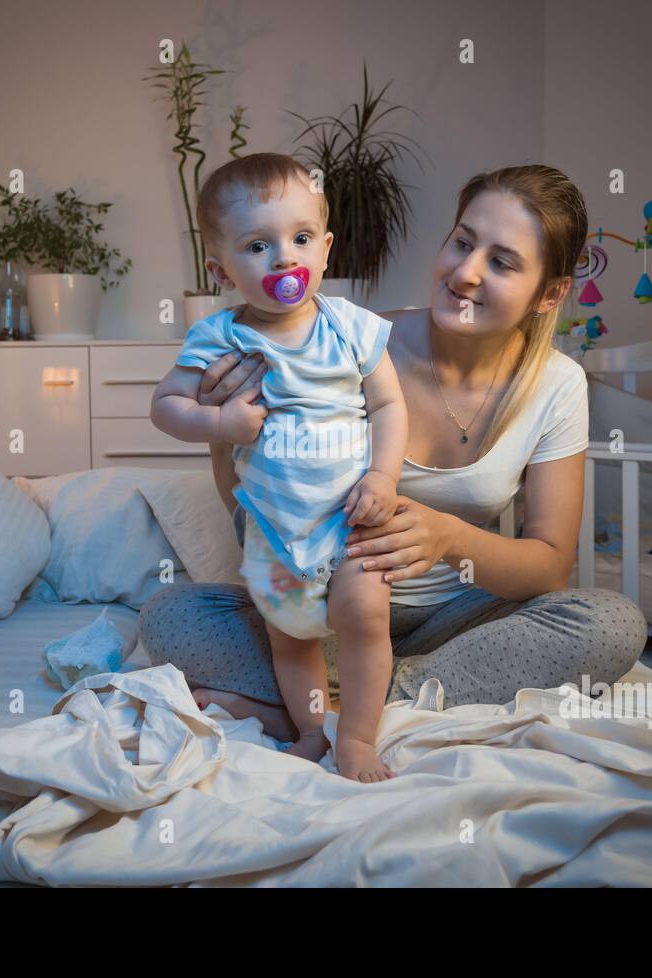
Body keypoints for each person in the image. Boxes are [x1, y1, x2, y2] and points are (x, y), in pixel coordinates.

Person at [140, 162, 648, 760]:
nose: (465, 272)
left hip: (454, 618)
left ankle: (349, 706)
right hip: (326, 601)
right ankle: (358, 699)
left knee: (610, 623)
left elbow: (547, 570)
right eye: (462, 242)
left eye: (502, 262)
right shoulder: (343, 342)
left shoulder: (557, 386)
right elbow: (256, 500)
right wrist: (221, 428)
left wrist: (446, 537)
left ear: (551, 293)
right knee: (169, 615)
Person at [150, 153, 408, 782]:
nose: (284, 258)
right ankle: (312, 731)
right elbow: (165, 406)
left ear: (325, 248)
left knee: (366, 617)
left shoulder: (350, 328)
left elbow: (389, 403)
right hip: (273, 530)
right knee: (290, 640)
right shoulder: (220, 338)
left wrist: (382, 479)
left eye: (298, 240)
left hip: (352, 520)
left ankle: (357, 739)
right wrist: (220, 424)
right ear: (221, 270)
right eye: (258, 245)